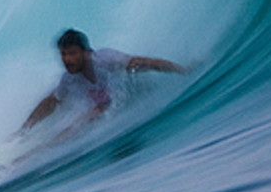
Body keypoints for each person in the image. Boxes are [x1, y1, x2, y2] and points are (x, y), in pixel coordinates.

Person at [19, 28, 187, 138]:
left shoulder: (106, 60)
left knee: (94, 113)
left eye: (71, 53)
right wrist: (24, 129)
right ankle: (44, 149)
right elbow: (51, 102)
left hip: (140, 95)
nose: (66, 60)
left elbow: (147, 63)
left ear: (86, 52)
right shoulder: (69, 79)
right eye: (63, 54)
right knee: (89, 116)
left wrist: (184, 71)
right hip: (118, 115)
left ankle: (46, 149)